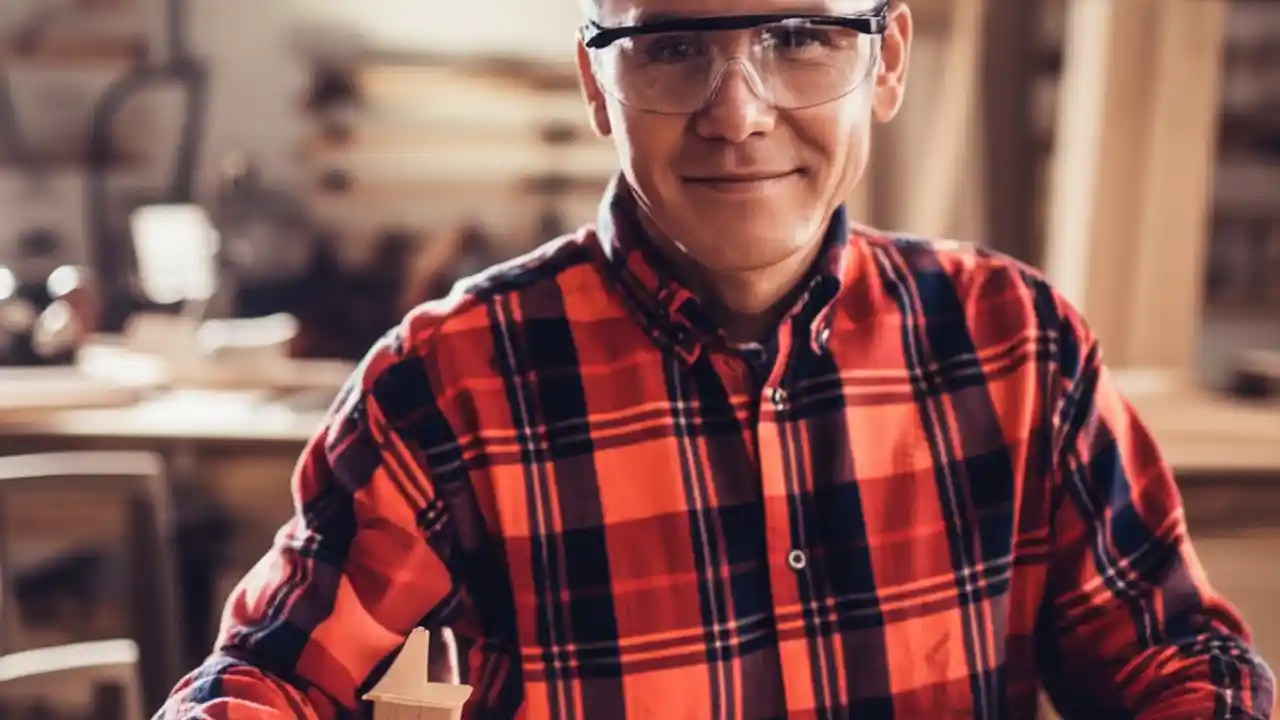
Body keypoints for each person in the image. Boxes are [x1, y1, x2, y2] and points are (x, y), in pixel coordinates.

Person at [159, 0, 1275, 717]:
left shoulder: (1015, 347)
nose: (735, 114)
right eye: (673, 48)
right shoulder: (447, 386)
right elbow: (268, 684)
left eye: (795, 39)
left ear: (883, 60)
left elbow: (1171, 666)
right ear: (597, 83)